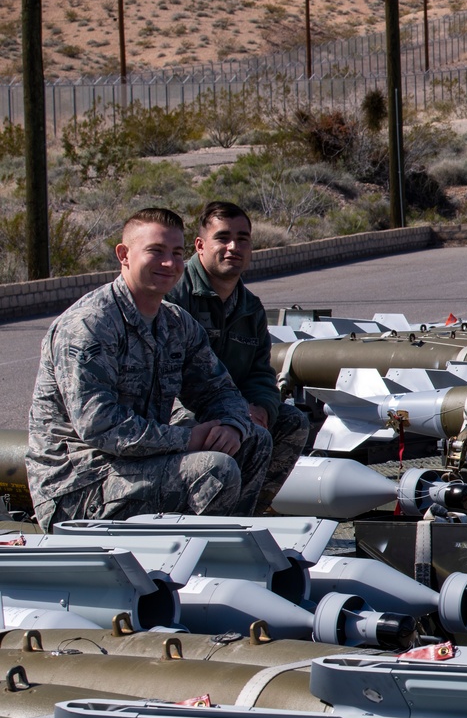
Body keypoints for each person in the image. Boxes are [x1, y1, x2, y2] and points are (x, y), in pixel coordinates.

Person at [26, 207, 272, 527]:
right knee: (214, 470)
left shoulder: (176, 323)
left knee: (254, 440)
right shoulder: (89, 325)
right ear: (124, 255)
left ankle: (226, 542)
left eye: (177, 253)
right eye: (156, 251)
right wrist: (188, 440)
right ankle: (198, 551)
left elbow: (219, 390)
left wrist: (231, 426)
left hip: (141, 463)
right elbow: (99, 425)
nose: (169, 263)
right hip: (79, 483)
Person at [166, 201, 312, 511]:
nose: (233, 247)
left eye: (242, 239)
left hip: (231, 409)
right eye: (223, 238)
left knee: (292, 422)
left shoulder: (249, 308)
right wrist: (231, 415)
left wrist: (261, 408)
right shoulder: (174, 296)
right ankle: (202, 513)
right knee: (244, 434)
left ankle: (246, 513)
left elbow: (260, 372)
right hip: (179, 409)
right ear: (200, 245)